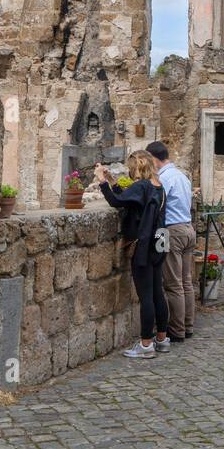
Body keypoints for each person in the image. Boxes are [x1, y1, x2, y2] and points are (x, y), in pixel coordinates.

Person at [95, 151, 168, 359]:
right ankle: (162, 340)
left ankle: (146, 345)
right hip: (159, 244)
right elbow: (130, 201)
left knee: (146, 296)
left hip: (143, 245)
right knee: (157, 293)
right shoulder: (158, 186)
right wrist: (111, 180)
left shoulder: (141, 186)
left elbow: (117, 202)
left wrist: (101, 182)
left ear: (136, 166)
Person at [146, 140, 196, 341]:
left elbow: (156, 204)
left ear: (154, 160)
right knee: (186, 282)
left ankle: (176, 331)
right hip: (188, 229)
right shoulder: (182, 176)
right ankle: (188, 325)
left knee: (173, 284)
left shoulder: (164, 179)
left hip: (171, 232)